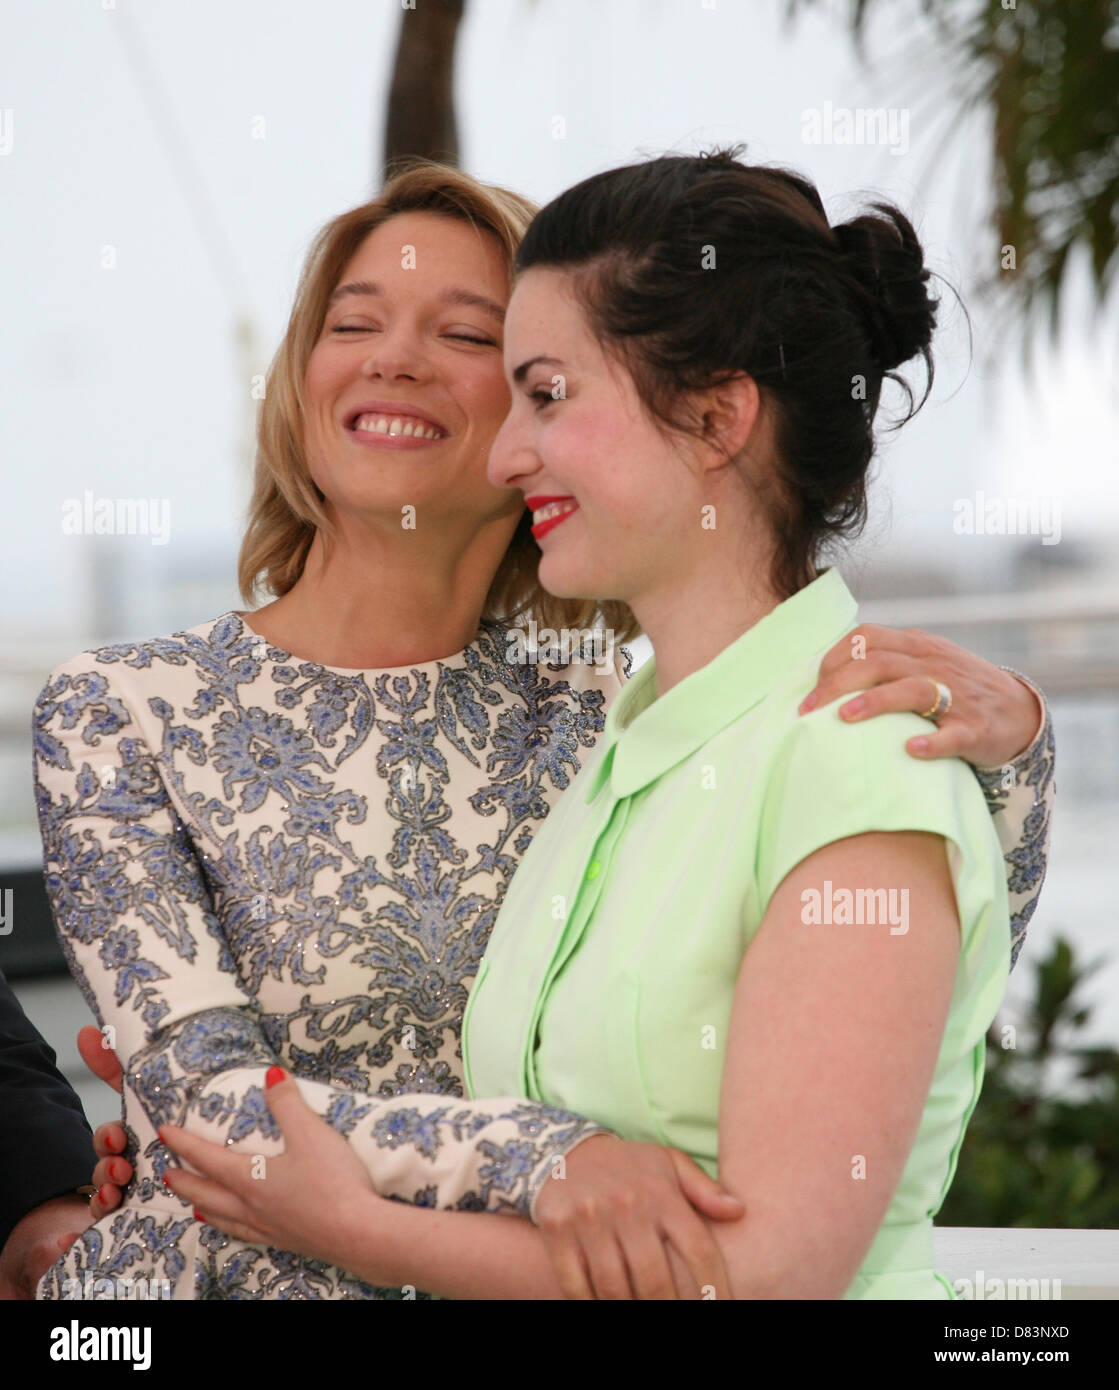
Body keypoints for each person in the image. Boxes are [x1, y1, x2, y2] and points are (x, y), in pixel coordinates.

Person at [33, 155, 1054, 1301]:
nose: (396, 358)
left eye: (488, 351)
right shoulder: (126, 709)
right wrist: (548, 1156)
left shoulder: (600, 709)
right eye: (352, 320)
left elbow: (880, 1029)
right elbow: (201, 1104)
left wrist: (1010, 760)